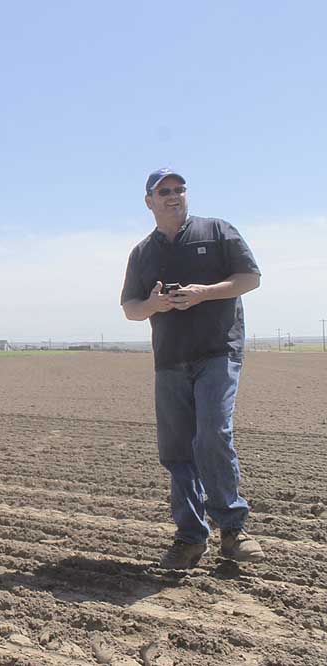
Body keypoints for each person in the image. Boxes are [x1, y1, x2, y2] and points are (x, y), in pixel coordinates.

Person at [121, 168, 265, 570]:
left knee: (212, 434)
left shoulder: (217, 231)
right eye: (164, 191)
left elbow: (249, 278)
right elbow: (131, 308)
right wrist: (154, 305)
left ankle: (233, 529)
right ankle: (189, 538)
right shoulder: (143, 253)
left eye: (179, 189)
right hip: (169, 359)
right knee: (177, 451)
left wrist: (205, 293)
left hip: (217, 351)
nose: (173, 196)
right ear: (149, 201)